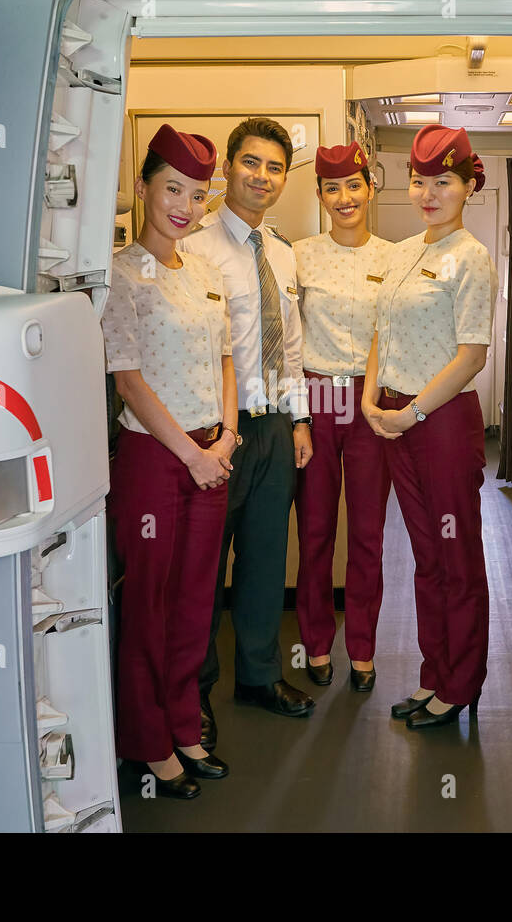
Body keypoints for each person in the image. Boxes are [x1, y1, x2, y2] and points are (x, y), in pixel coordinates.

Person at [102, 124, 238, 798]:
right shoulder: (122, 275)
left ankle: (186, 726)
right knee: (149, 607)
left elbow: (226, 360)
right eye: (172, 188)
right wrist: (191, 455)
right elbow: (129, 380)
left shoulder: (208, 274)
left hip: (210, 456)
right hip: (157, 459)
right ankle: (147, 743)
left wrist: (229, 438)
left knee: (194, 603)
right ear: (145, 188)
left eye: (197, 194)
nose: (184, 205)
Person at [180, 116, 316, 748]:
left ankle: (258, 677)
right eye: (251, 163)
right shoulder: (195, 249)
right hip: (216, 433)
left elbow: (288, 346)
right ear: (226, 167)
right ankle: (195, 695)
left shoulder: (283, 254)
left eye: (275, 167)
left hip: (273, 431)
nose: (262, 177)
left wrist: (301, 418)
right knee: (204, 569)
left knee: (264, 562)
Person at [361, 124, 498, 729]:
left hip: (439, 421)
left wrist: (411, 412)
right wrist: (370, 401)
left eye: (443, 181)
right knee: (424, 556)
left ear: (468, 186)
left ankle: (460, 682)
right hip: (393, 417)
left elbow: (472, 355)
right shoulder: (402, 251)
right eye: (419, 181)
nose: (428, 193)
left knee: (456, 555)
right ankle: (433, 674)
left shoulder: (471, 258)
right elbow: (380, 332)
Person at [292, 141, 394, 692]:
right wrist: (298, 417)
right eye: (333, 188)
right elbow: (286, 340)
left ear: (370, 188)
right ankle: (313, 642)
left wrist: (377, 401)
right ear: (321, 196)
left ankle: (362, 648)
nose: (345, 197)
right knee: (314, 530)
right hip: (317, 393)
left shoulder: (394, 258)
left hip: (368, 396)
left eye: (354, 185)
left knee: (368, 532)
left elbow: (393, 338)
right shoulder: (300, 255)